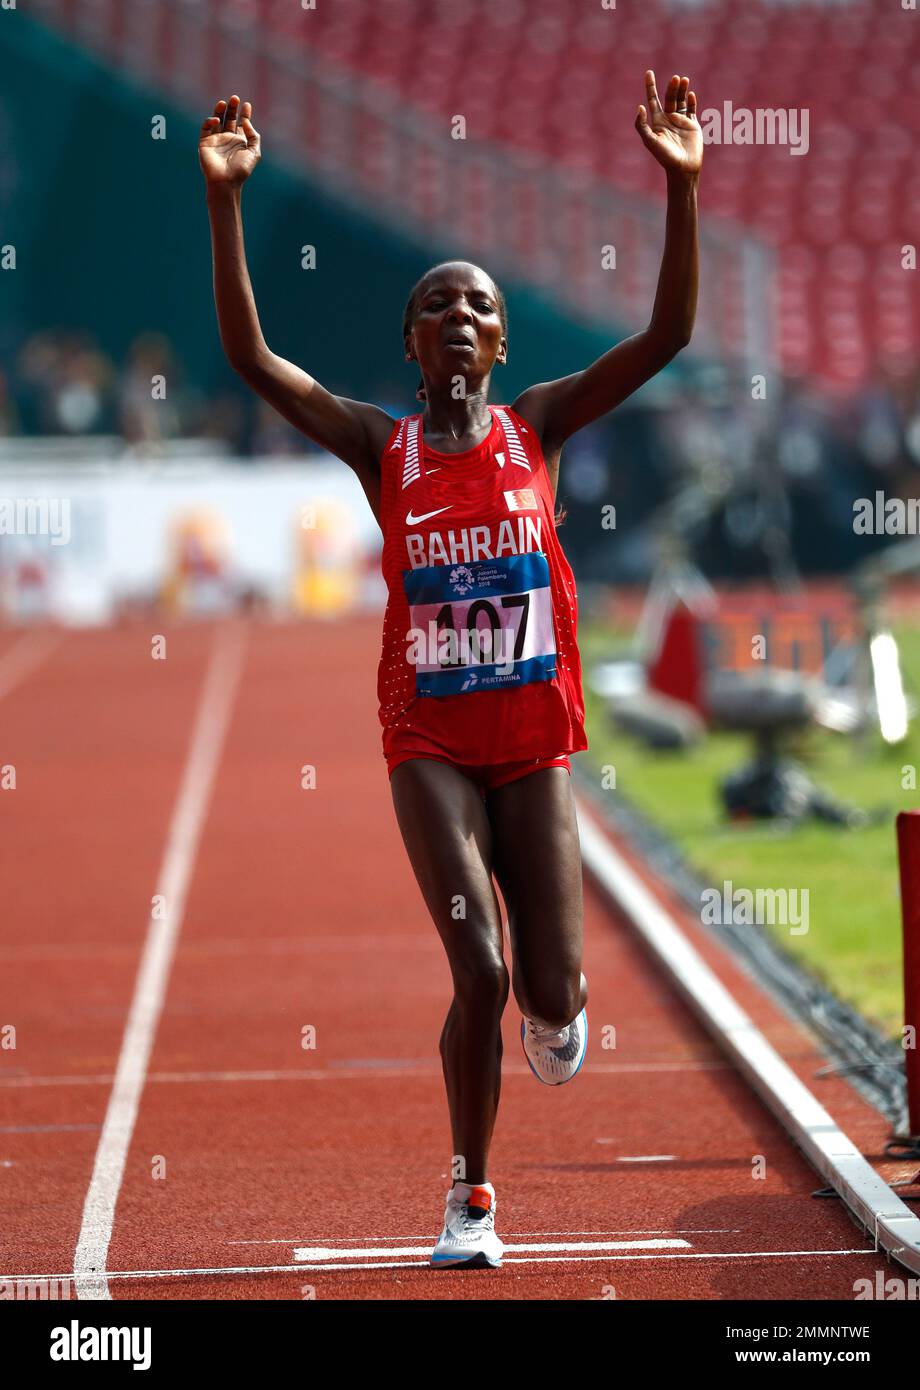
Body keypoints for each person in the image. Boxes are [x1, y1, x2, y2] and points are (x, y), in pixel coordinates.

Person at [200, 71, 701, 1269]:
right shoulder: (383, 447)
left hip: (534, 745)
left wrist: (680, 187)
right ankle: (470, 1196)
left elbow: (669, 335)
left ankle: (551, 1006)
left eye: (478, 303)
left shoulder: (540, 424)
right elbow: (254, 359)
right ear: (412, 344)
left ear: (502, 337)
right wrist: (224, 204)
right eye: (437, 307)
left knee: (552, 1001)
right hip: (426, 742)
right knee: (476, 966)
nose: (461, 316)